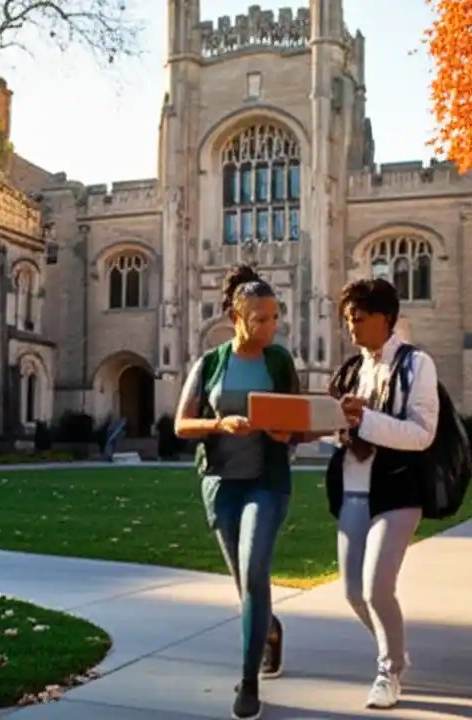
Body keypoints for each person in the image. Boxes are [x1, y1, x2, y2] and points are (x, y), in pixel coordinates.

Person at [174, 264, 301, 720]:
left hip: (267, 483)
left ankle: (248, 683)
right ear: (237, 318)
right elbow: (181, 424)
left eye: (274, 317)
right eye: (261, 318)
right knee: (244, 582)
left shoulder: (280, 362)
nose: (270, 326)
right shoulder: (210, 364)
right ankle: (270, 630)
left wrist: (287, 435)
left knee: (253, 573)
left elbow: (300, 422)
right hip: (221, 484)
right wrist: (218, 423)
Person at [325, 277, 439, 710]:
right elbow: (341, 434)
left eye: (358, 318)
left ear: (384, 318)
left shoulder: (416, 365)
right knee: (353, 593)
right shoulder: (352, 369)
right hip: (353, 490)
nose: (350, 327)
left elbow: (423, 434)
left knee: (376, 589)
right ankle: (394, 652)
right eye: (347, 319)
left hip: (397, 492)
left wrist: (364, 420)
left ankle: (389, 672)